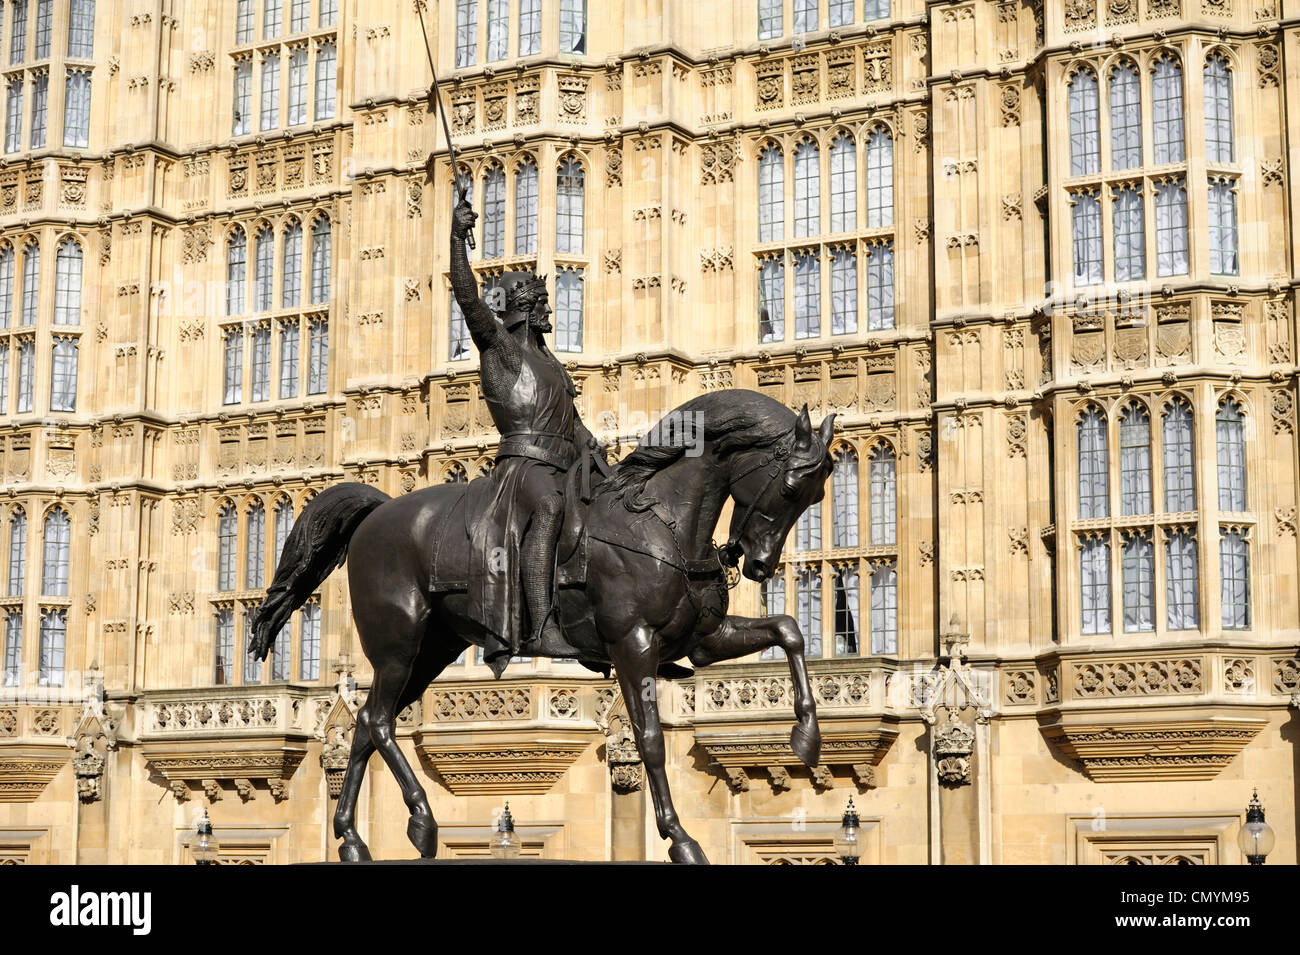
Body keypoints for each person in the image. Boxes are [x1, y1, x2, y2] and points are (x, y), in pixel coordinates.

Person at [449, 197, 608, 675]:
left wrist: (598, 452)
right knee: (550, 507)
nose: (548, 311)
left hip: (565, 463)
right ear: (522, 309)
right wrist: (458, 236)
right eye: (540, 303)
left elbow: (571, 422)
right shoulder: (501, 349)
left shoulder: (551, 365)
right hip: (524, 468)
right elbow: (467, 297)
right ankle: (539, 628)